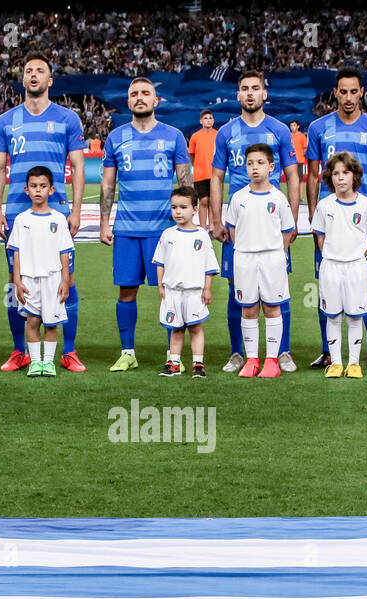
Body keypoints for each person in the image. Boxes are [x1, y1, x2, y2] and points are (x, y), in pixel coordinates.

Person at [0, 52, 86, 372]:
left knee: (65, 279)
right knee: (15, 281)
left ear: (50, 80)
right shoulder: (6, 120)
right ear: (23, 79)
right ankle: (20, 350)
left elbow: (77, 165)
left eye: (40, 71)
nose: (33, 75)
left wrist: (75, 210)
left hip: (56, 211)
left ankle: (68, 351)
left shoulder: (67, 119)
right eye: (28, 70)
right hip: (18, 214)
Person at [209, 71, 300, 374]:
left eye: (255, 88)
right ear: (238, 95)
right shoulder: (226, 132)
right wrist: (215, 219)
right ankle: (239, 353)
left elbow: (293, 175)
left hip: (271, 225)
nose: (250, 93)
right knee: (238, 290)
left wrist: (294, 218)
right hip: (239, 222)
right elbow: (217, 177)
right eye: (244, 89)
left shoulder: (279, 130)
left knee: (278, 290)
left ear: (264, 94)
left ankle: (281, 352)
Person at [100, 77, 191, 372]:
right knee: (126, 292)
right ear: (128, 102)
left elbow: (185, 183)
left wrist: (190, 224)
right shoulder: (116, 137)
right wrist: (104, 222)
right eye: (134, 94)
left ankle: (172, 354)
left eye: (145, 93)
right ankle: (128, 352)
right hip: (126, 229)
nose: (139, 98)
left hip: (164, 231)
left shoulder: (174, 136)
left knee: (170, 292)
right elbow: (108, 185)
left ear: (156, 101)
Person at [305, 66, 367, 370]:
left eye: (354, 91)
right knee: (327, 284)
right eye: (344, 91)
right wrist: (316, 219)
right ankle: (330, 353)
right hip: (330, 221)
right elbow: (313, 176)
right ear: (335, 93)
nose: (349, 97)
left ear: (362, 92)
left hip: (361, 220)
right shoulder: (318, 128)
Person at [226, 143, 295, 378]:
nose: (254, 168)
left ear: (271, 166)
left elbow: (287, 232)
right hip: (244, 259)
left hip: (272, 259)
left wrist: (275, 253)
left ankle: (272, 361)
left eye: (260, 163)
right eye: (250, 163)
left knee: (272, 308)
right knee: (249, 309)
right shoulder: (238, 198)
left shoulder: (278, 198)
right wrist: (247, 249)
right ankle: (252, 360)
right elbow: (233, 229)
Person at [311, 152, 367, 379]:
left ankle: (353, 363)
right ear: (330, 177)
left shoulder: (365, 204)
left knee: (355, 316)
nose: (340, 178)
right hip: (331, 267)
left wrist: (352, 254)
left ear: (355, 176)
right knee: (332, 316)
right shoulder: (324, 205)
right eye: (336, 173)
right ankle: (336, 362)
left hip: (356, 267)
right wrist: (334, 254)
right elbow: (319, 238)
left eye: (345, 173)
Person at [8, 165, 74, 378]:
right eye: (34, 186)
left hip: (53, 280)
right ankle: (35, 363)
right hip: (29, 280)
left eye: (43, 186)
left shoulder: (58, 219)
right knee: (33, 321)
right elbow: (16, 252)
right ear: (26, 190)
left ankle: (49, 362)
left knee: (52, 324)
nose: (38, 190)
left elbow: (65, 252)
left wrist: (65, 279)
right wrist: (17, 280)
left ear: (51, 190)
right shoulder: (21, 219)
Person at [152, 185, 217, 377]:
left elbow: (209, 266)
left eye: (183, 207)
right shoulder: (168, 234)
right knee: (176, 329)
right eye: (174, 207)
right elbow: (160, 262)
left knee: (195, 328)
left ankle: (198, 364)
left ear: (195, 209)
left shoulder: (202, 236)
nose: (178, 211)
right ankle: (173, 363)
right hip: (172, 291)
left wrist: (207, 288)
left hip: (194, 292)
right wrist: (160, 284)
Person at [188, 110, 218, 228]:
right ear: (201, 121)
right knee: (203, 201)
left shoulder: (217, 135)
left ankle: (211, 227)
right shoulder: (195, 136)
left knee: (212, 201)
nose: (208, 120)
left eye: (210, 118)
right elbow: (191, 154)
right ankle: (202, 227)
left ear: (213, 120)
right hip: (200, 174)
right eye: (206, 118)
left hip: (214, 174)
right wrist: (197, 165)